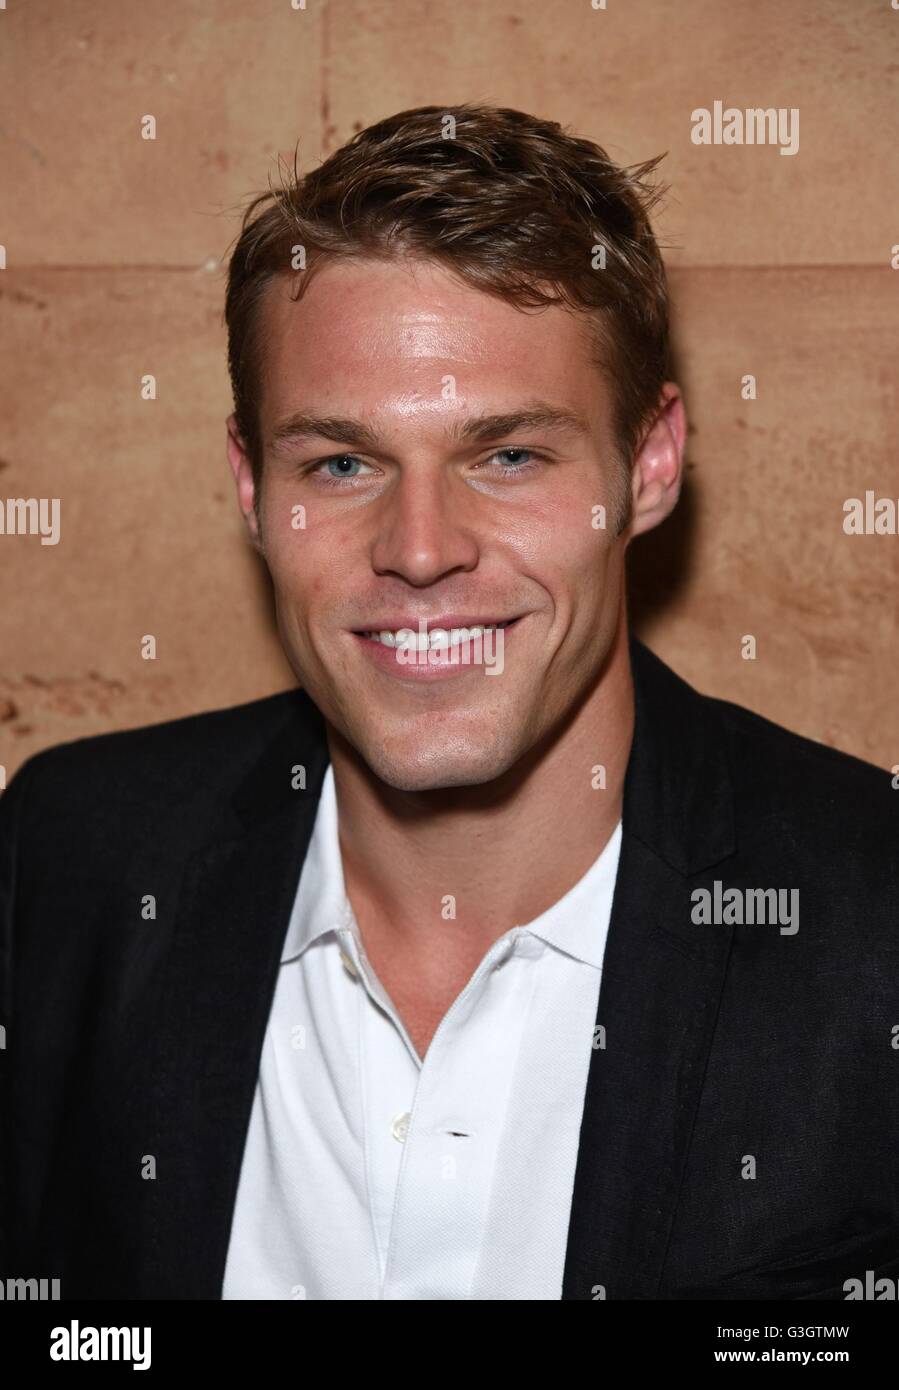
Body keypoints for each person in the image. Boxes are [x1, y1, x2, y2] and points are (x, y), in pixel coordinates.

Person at [1, 104, 896, 1301]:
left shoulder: (870, 910)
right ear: (251, 489)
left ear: (649, 463)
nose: (418, 550)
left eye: (508, 456)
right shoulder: (70, 862)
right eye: (341, 463)